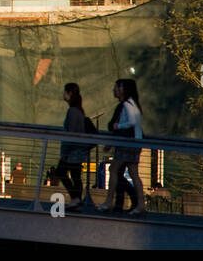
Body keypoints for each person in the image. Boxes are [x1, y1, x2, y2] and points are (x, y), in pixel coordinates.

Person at [98, 78, 146, 215]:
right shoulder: (133, 104)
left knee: (113, 169)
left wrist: (117, 126)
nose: (114, 90)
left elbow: (131, 122)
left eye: (117, 87)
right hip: (135, 143)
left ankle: (109, 201)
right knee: (134, 173)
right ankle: (140, 204)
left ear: (123, 90)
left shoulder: (127, 104)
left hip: (127, 143)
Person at [54, 82, 90, 208]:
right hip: (77, 149)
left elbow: (71, 133)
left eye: (65, 92)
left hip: (72, 151)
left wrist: (65, 152)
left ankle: (75, 198)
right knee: (75, 175)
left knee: (62, 172)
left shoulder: (73, 111)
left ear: (69, 94)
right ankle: (76, 200)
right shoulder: (78, 110)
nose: (63, 94)